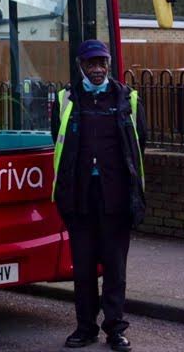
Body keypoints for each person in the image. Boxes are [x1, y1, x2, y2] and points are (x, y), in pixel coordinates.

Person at [51, 39, 146, 351]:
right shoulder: (67, 99)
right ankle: (85, 328)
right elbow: (59, 140)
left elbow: (139, 143)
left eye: (102, 63)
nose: (97, 69)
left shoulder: (127, 98)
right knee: (84, 267)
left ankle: (115, 329)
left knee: (115, 267)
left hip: (115, 196)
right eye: (91, 64)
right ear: (81, 66)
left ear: (109, 64)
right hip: (80, 197)